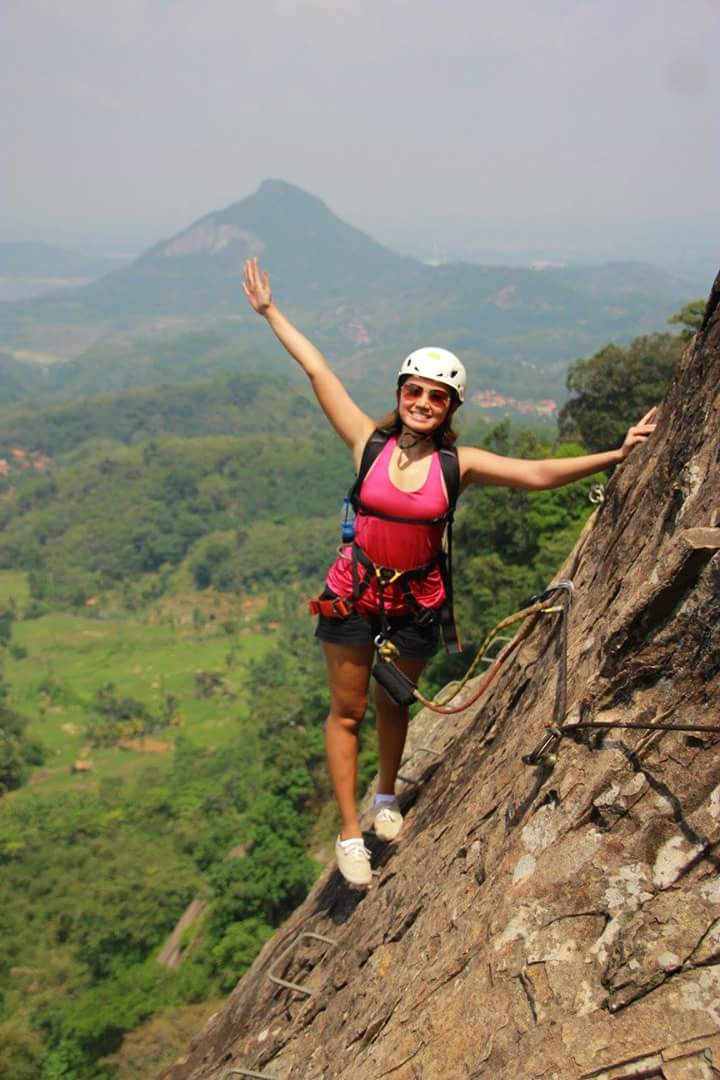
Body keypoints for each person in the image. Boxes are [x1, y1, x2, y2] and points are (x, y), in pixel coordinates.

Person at [242, 256, 657, 886]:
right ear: (400, 393)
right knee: (347, 712)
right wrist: (271, 312)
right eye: (414, 391)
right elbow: (318, 369)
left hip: (416, 603)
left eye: (437, 396)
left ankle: (386, 797)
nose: (423, 403)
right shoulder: (367, 443)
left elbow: (536, 474)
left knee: (395, 702)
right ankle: (350, 833)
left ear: (450, 406)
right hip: (353, 595)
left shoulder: (458, 465)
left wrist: (615, 455)